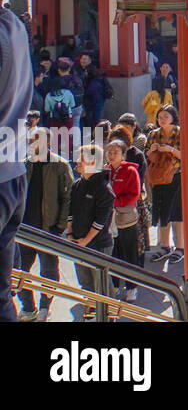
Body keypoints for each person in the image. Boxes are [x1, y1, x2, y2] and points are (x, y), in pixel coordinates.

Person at [16, 126, 71, 321]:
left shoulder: (59, 165)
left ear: (48, 142)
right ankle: (28, 307)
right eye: (31, 139)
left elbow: (68, 197)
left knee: (49, 271)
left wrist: (60, 226)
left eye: (38, 139)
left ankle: (44, 307)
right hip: (25, 229)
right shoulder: (24, 164)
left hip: (49, 229)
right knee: (19, 271)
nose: (34, 143)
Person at [69, 144, 114, 321]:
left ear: (93, 161)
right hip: (78, 243)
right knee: (85, 283)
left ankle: (108, 316)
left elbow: (100, 221)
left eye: (82, 158)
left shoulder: (104, 189)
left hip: (98, 245)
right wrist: (71, 235)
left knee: (101, 285)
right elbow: (70, 211)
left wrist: (85, 241)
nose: (78, 162)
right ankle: (89, 314)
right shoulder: (77, 185)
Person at [145, 104, 183, 264]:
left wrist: (170, 149)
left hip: (176, 175)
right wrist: (152, 150)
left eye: (165, 117)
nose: (162, 120)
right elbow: (147, 155)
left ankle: (180, 247)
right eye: (160, 117)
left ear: (173, 118)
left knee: (176, 213)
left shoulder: (180, 133)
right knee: (161, 211)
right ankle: (165, 246)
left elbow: (186, 155)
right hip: (159, 176)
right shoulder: (153, 134)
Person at [105, 139, 143, 300]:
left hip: (126, 218)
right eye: (109, 152)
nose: (112, 155)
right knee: (113, 252)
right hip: (108, 219)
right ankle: (113, 285)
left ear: (123, 155)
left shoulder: (130, 171)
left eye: (116, 152)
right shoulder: (105, 171)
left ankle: (132, 287)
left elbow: (134, 194)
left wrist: (115, 202)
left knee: (129, 253)